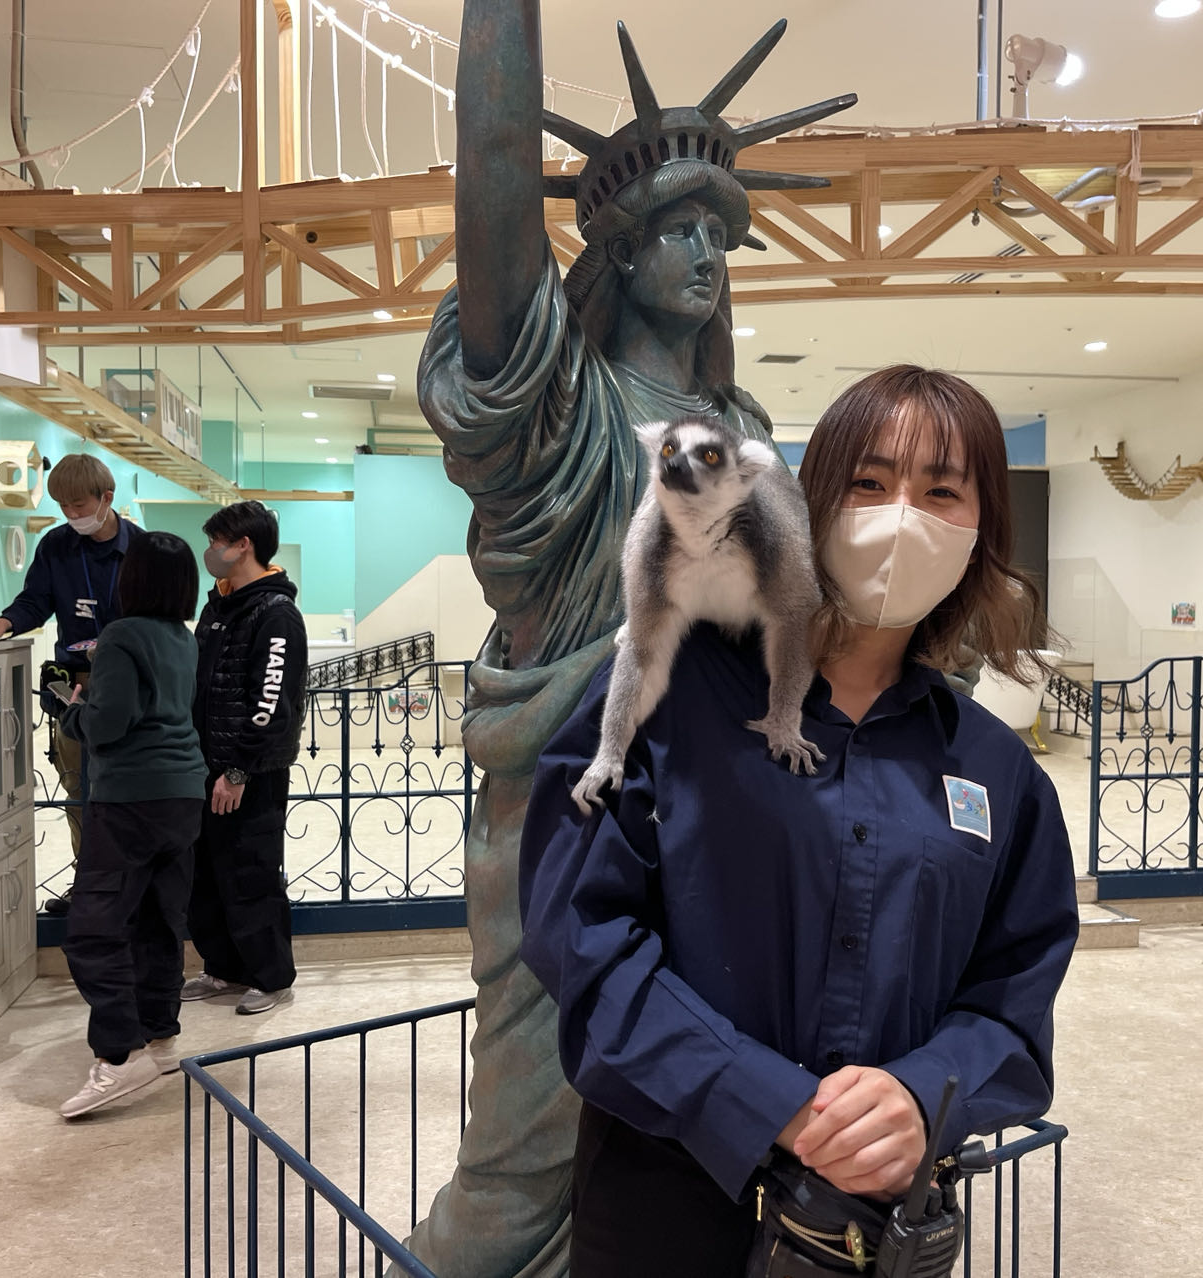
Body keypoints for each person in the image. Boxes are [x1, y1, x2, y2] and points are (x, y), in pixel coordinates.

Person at [401, 11, 853, 1274]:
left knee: (696, 1134)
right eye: (678, 229)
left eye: (722, 231)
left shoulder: (742, 422)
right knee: (527, 1153)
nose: (708, 253)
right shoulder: (564, 411)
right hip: (574, 822)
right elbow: (494, 193)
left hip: (725, 824)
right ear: (617, 250)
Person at [519, 365, 1081, 1276]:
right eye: (868, 481)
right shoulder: (669, 693)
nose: (902, 515)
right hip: (666, 1197)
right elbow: (578, 931)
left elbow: (1013, 1000)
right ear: (803, 498)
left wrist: (920, 1094)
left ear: (980, 535)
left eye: (942, 490)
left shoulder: (995, 771)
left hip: (868, 1226)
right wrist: (766, 1100)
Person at [55, 531, 206, 1118]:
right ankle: (160, 1036)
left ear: (132, 579)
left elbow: (109, 724)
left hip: (129, 799)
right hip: (182, 795)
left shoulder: (120, 636)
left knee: (92, 929)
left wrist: (72, 713)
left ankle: (118, 1057)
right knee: (156, 918)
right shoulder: (181, 638)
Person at [0, 453, 139, 915]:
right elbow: (36, 601)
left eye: (79, 505)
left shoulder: (143, 549)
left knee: (130, 791)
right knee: (79, 791)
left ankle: (133, 887)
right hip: (76, 688)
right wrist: (6, 622)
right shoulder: (55, 547)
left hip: (129, 686)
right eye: (63, 507)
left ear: (107, 498)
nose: (72, 515)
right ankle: (89, 883)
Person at [182, 501, 308, 1016]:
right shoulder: (218, 608)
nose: (210, 550)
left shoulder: (276, 614)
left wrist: (238, 770)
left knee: (251, 871)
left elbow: (272, 701)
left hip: (251, 773)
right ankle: (224, 968)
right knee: (207, 873)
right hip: (205, 766)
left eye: (218, 541)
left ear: (243, 546)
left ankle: (270, 976)